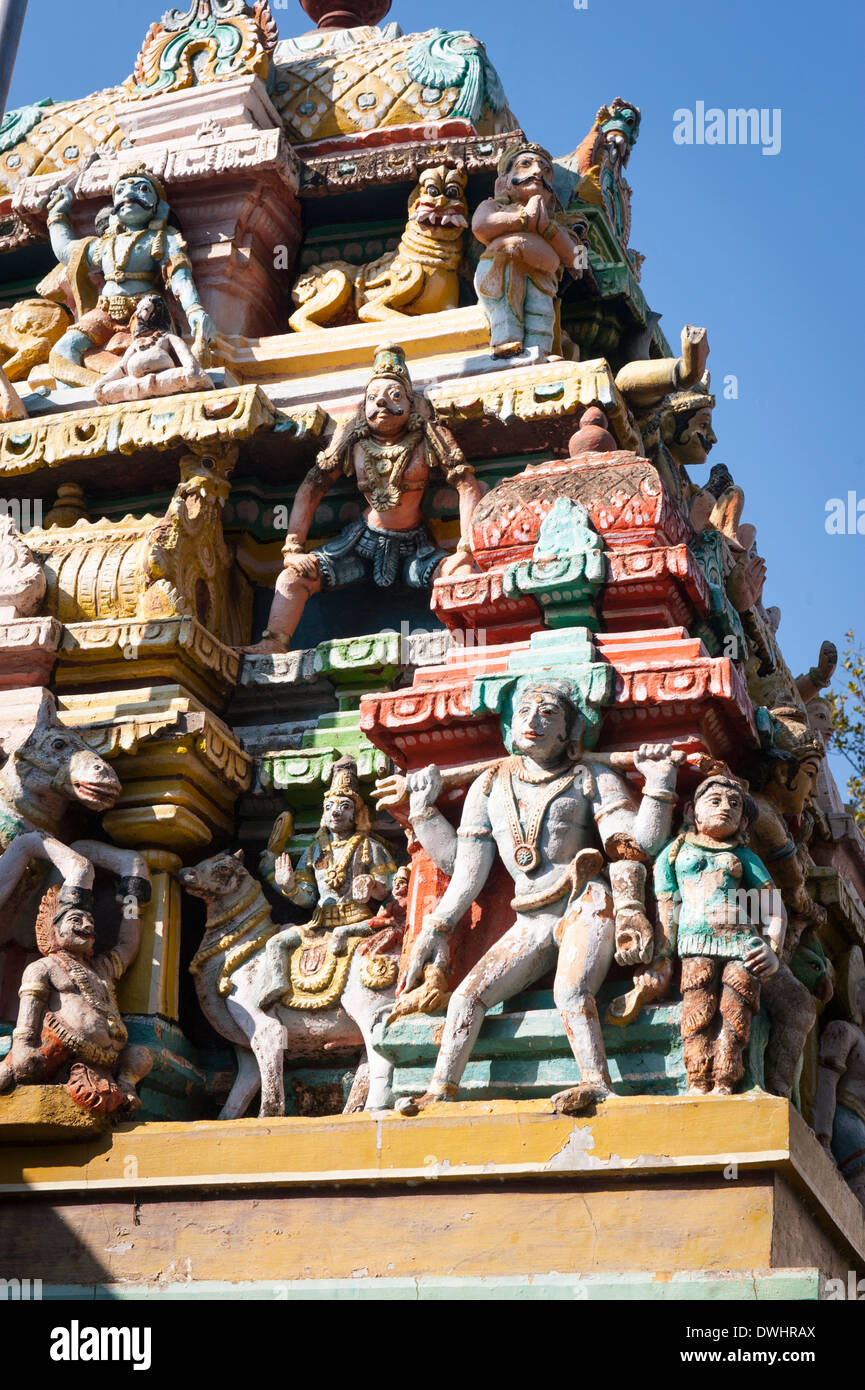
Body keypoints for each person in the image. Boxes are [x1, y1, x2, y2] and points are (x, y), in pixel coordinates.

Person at [400, 677, 679, 1114]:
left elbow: (634, 845)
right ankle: (440, 1090)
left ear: (570, 734)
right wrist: (424, 813)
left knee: (570, 990)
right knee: (465, 997)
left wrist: (660, 785)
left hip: (586, 901)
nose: (533, 720)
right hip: (530, 917)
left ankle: (596, 1081)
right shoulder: (489, 784)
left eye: (549, 713)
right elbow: (464, 868)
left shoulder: (590, 776)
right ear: (510, 727)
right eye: (525, 711)